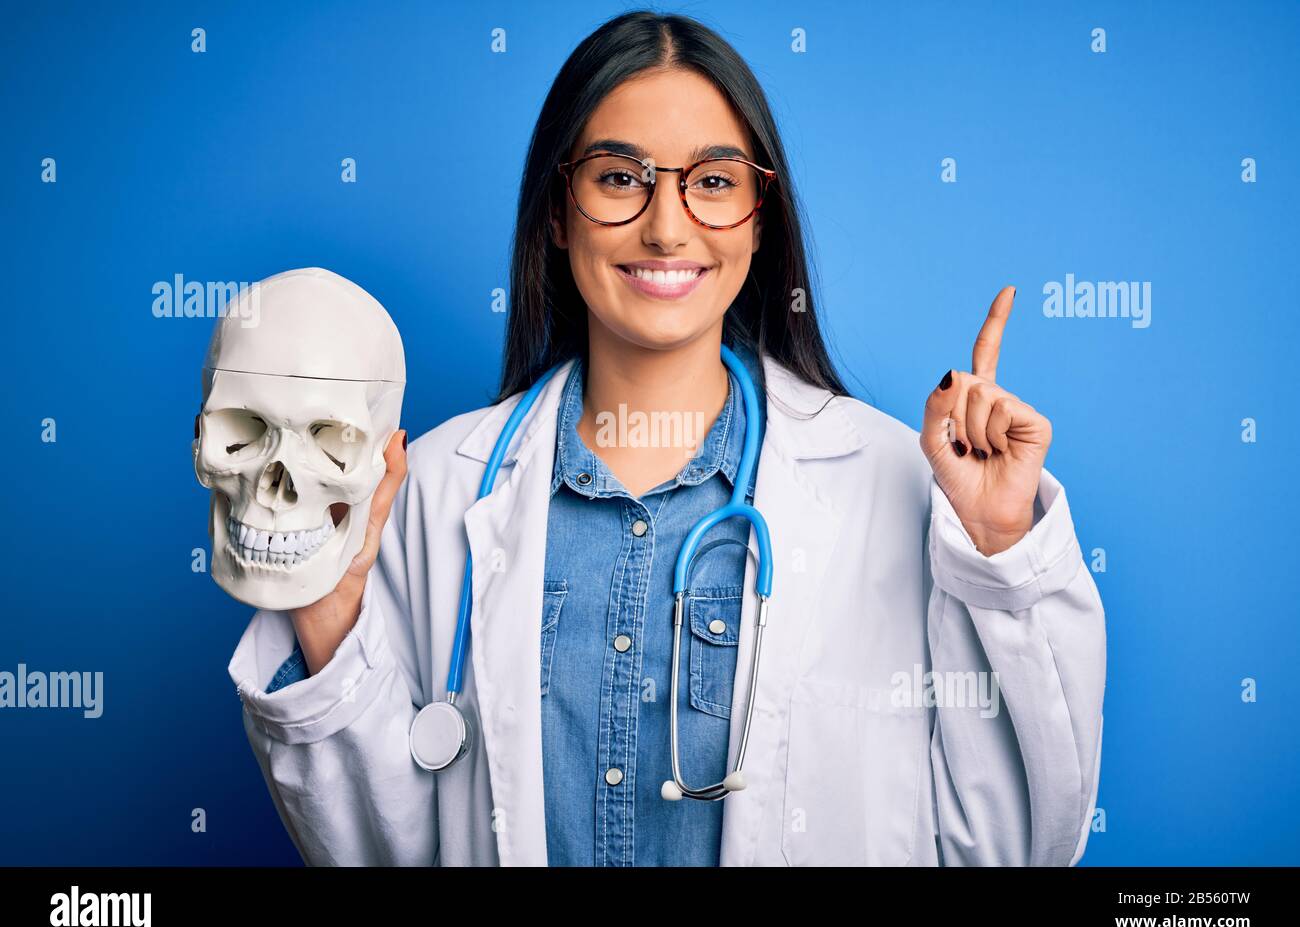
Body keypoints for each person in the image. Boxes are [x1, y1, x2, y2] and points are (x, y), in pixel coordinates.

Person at [227, 10, 1106, 867]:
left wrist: (1003, 555)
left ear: (761, 219)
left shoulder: (897, 483)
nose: (667, 225)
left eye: (714, 182)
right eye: (619, 177)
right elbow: (390, 852)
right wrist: (331, 614)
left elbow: (1013, 847)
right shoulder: (434, 490)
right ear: (556, 212)